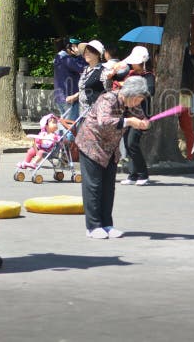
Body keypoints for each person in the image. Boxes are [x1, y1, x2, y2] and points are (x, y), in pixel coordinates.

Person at [75, 76, 150, 239]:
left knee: (108, 187)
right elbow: (104, 122)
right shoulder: (108, 98)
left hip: (110, 149)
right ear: (129, 93)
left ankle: (107, 224)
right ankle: (93, 226)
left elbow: (141, 117)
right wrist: (130, 121)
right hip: (91, 145)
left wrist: (144, 123)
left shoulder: (132, 104)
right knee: (93, 186)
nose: (139, 103)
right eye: (138, 98)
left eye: (141, 100)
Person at [112, 46, 155, 186]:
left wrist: (132, 90)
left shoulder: (148, 76)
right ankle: (133, 175)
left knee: (132, 143)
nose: (133, 64)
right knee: (127, 143)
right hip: (126, 115)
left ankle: (143, 174)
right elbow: (114, 76)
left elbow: (150, 91)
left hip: (141, 116)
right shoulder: (128, 74)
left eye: (135, 62)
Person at [66, 40, 111, 117]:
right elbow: (84, 89)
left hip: (97, 115)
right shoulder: (85, 69)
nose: (86, 54)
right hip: (83, 114)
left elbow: (109, 92)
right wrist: (75, 96)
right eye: (85, 51)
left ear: (97, 54)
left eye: (90, 51)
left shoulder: (104, 71)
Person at [53, 37, 87, 120]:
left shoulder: (58, 57)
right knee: (71, 127)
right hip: (70, 97)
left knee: (64, 125)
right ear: (69, 47)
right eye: (76, 46)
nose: (78, 49)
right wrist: (79, 55)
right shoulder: (66, 58)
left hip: (60, 97)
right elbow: (82, 68)